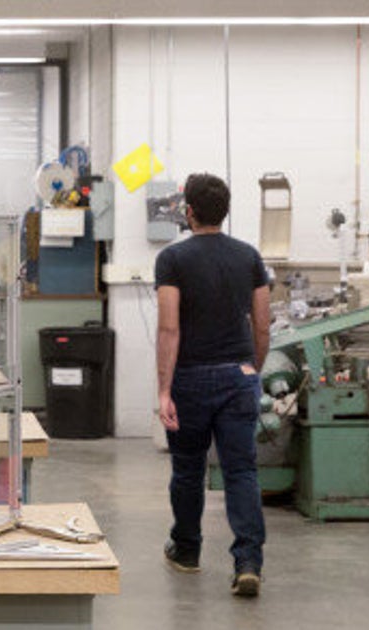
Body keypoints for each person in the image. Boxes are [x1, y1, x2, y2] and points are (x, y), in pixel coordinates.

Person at [153, 172, 270, 598]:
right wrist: (251, 370)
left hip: (190, 379)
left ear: (189, 212)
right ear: (225, 211)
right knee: (241, 471)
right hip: (238, 376)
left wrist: (164, 391)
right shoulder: (249, 257)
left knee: (188, 469)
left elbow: (169, 329)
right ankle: (248, 562)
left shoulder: (173, 259)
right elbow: (262, 325)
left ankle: (186, 550)